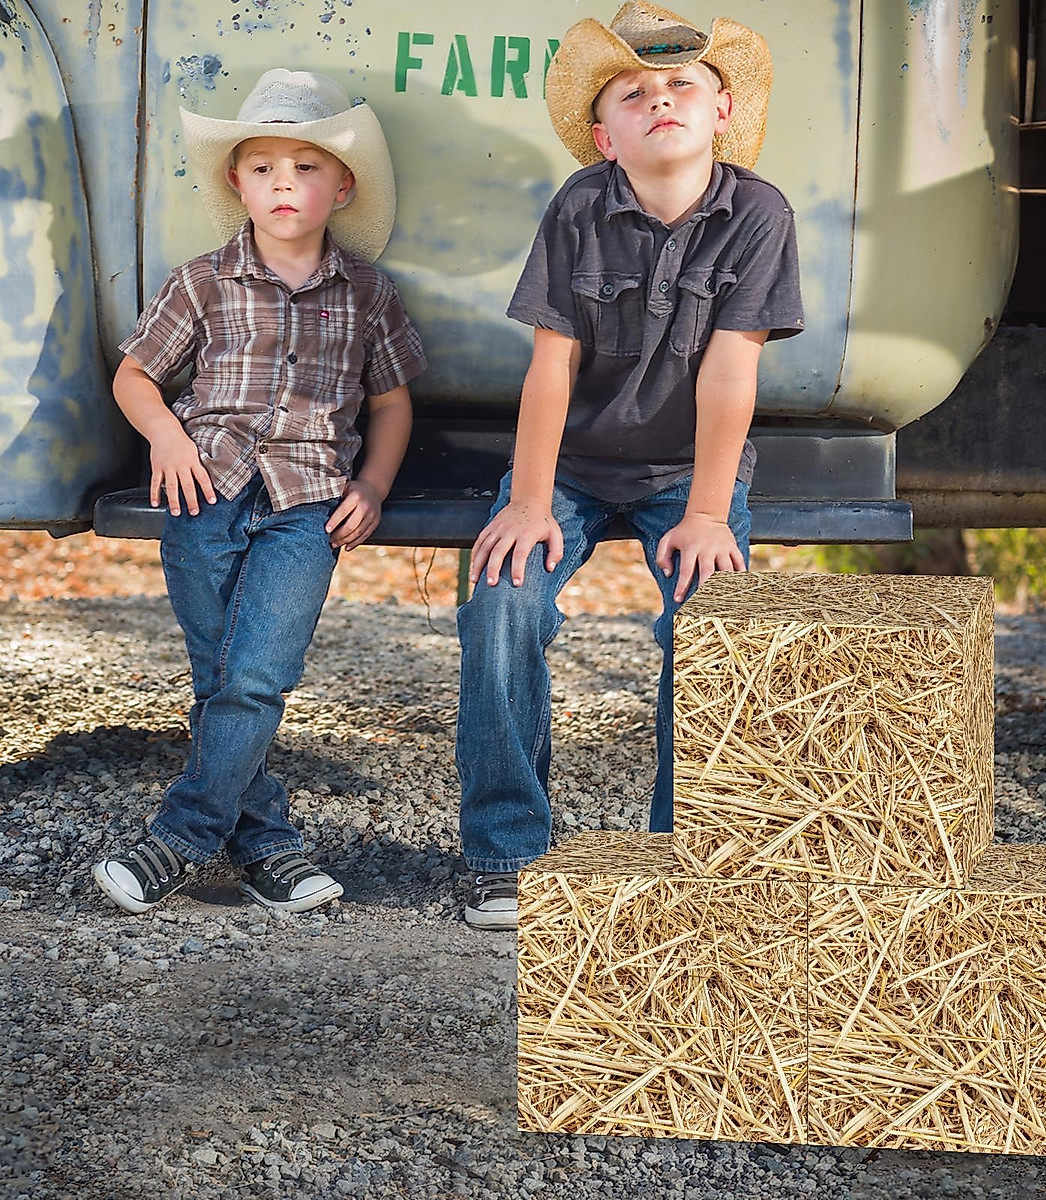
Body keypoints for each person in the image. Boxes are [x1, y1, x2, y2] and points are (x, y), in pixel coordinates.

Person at [456, 3, 804, 929]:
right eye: (636, 92)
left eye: (683, 84)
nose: (663, 101)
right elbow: (551, 365)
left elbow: (733, 372)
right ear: (605, 136)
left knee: (705, 622)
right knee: (501, 600)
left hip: (688, 472)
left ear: (722, 110)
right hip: (568, 465)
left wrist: (709, 513)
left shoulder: (758, 214)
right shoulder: (578, 207)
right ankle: (507, 854)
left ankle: (673, 857)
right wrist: (530, 499)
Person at [93, 69, 425, 915]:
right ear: (236, 182)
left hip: (309, 503)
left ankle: (177, 839)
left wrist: (376, 485)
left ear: (341, 186)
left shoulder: (366, 294)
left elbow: (390, 403)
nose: (285, 182)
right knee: (222, 678)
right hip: (204, 491)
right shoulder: (201, 281)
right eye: (264, 166)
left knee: (257, 676)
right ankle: (268, 844)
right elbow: (136, 376)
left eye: (306, 167)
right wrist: (167, 434)